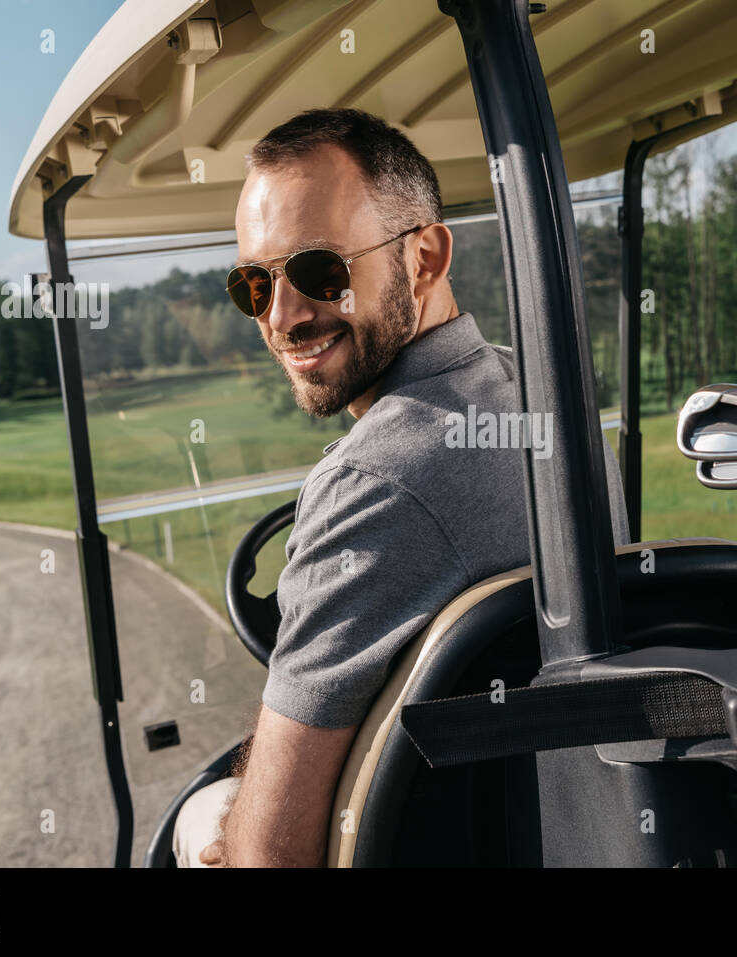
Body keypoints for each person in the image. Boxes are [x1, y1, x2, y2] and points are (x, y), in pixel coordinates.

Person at [172, 107, 630, 867]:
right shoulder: (545, 399)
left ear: (424, 258)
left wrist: (220, 832)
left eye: (320, 271)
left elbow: (270, 856)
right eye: (254, 284)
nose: (282, 316)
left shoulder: (366, 483)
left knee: (199, 817)